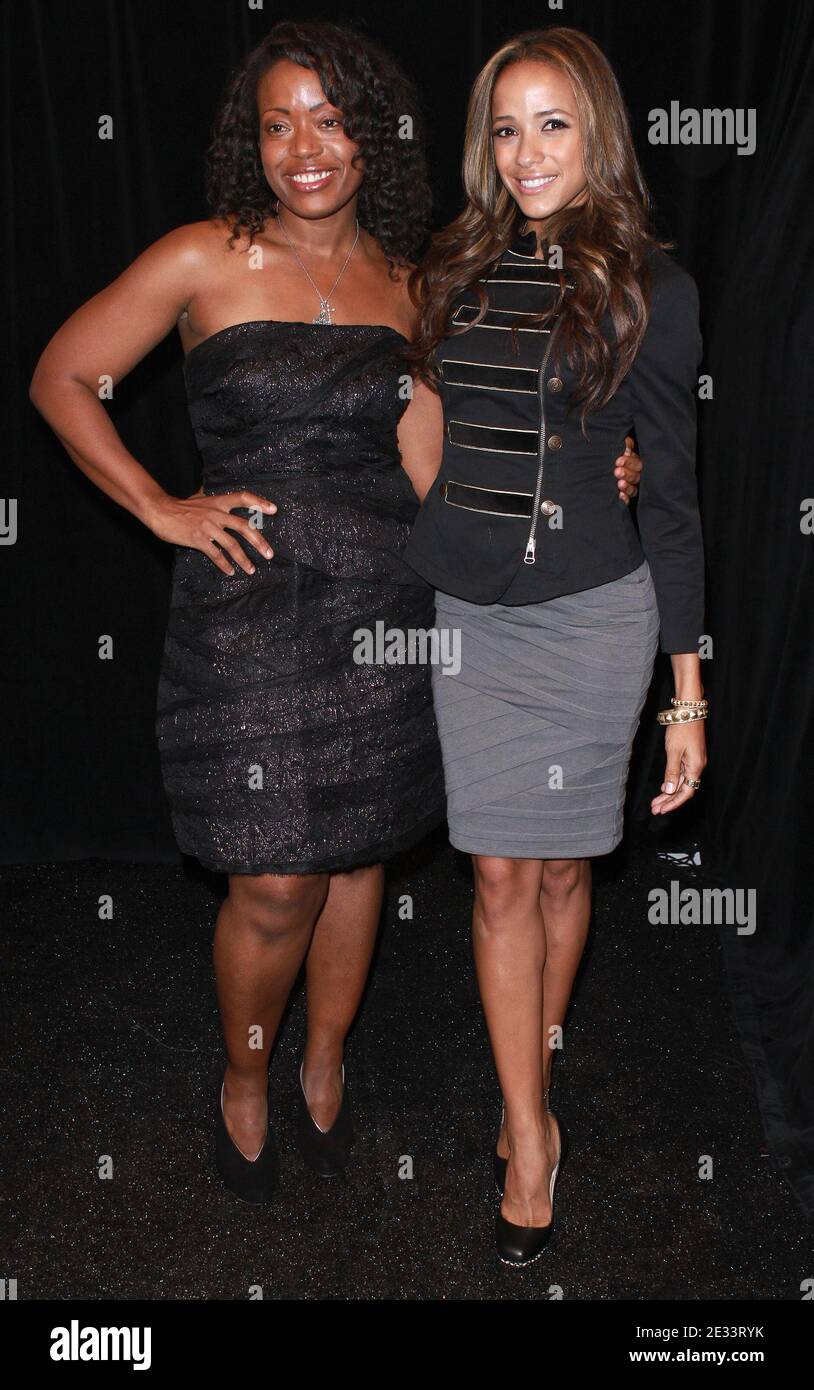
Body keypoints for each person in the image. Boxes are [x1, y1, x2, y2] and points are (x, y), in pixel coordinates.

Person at [28, 20, 644, 1210]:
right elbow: (63, 373)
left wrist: (585, 479)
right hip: (248, 619)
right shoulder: (205, 257)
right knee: (274, 880)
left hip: (388, 610)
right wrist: (159, 507)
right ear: (248, 143)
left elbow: (446, 462)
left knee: (360, 856)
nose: (304, 146)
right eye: (277, 122)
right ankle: (245, 1075)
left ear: (374, 139)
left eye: (330, 119)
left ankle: (325, 1058)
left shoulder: (417, 285)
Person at [403, 25, 707, 1266]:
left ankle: (532, 1059)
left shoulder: (652, 284)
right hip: (476, 618)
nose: (526, 153)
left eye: (554, 124)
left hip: (595, 618)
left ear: (598, 135)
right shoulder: (452, 268)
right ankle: (530, 1134)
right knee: (495, 876)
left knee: (567, 871)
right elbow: (422, 406)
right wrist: (444, 512)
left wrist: (686, 694)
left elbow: (674, 495)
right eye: (506, 126)